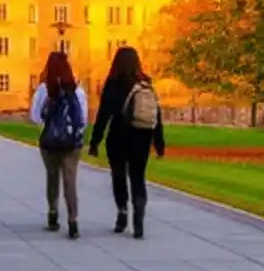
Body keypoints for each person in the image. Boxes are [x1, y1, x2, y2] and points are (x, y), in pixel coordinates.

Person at [89, 46, 166, 239]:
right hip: (142, 136)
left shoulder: (114, 82)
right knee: (138, 176)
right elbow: (155, 114)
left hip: (118, 135)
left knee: (119, 175)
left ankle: (122, 211)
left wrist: (95, 141)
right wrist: (159, 142)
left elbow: (103, 114)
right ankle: (139, 212)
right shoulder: (145, 83)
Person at [30, 51, 88, 239]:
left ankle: (53, 212)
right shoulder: (77, 91)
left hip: (49, 142)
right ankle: (73, 220)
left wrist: (50, 123)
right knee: (70, 180)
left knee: (52, 177)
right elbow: (83, 120)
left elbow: (35, 117)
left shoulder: (44, 90)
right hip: (72, 143)